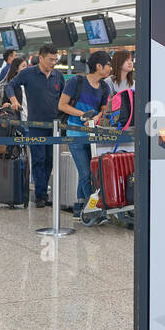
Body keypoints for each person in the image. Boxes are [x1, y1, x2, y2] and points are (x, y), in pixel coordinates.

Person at [5, 44, 65, 207]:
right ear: (41, 58)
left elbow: (64, 99)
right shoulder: (28, 73)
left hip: (54, 126)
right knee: (39, 159)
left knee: (50, 161)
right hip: (36, 125)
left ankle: (43, 191)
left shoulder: (58, 76)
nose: (53, 63)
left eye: (55, 59)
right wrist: (14, 100)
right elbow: (9, 86)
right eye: (50, 59)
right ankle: (40, 195)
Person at [58, 49, 112, 217]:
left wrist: (97, 117)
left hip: (92, 135)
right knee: (85, 172)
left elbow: (105, 110)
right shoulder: (76, 81)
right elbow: (62, 105)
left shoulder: (104, 87)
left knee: (92, 172)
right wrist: (82, 115)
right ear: (98, 66)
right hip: (75, 133)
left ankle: (79, 207)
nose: (110, 68)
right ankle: (92, 209)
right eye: (108, 65)